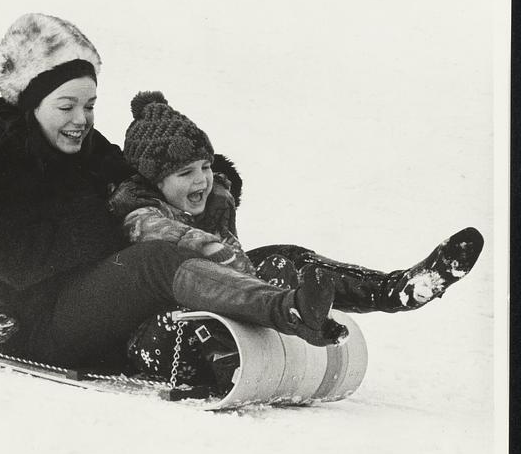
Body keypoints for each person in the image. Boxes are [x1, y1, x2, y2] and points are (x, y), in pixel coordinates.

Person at [0, 13, 349, 369]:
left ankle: (383, 291)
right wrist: (120, 219)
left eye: (90, 105)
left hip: (101, 303)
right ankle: (285, 310)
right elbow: (20, 263)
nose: (81, 120)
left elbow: (142, 181)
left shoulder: (86, 149)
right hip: (41, 325)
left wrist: (204, 187)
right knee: (155, 260)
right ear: (31, 105)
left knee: (263, 255)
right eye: (67, 107)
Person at [108, 91, 484, 380]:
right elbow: (207, 256)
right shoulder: (144, 219)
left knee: (284, 257)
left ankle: (394, 289)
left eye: (205, 166)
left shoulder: (213, 204)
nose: (202, 179)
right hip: (156, 338)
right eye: (185, 172)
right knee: (208, 302)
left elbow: (237, 270)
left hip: (222, 312)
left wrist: (277, 274)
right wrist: (253, 278)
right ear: (156, 181)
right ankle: (233, 362)